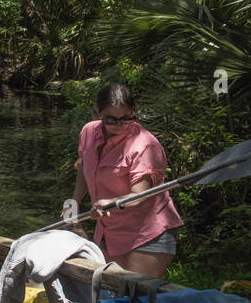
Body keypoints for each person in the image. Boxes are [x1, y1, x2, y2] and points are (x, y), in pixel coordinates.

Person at [70, 83, 183, 278]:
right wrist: (75, 202)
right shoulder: (89, 132)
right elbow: (85, 168)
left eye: (126, 119)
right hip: (109, 231)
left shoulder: (145, 145)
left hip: (147, 234)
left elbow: (140, 195)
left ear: (134, 111)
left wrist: (110, 203)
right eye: (111, 120)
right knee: (105, 292)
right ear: (98, 113)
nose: (119, 125)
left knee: (134, 299)